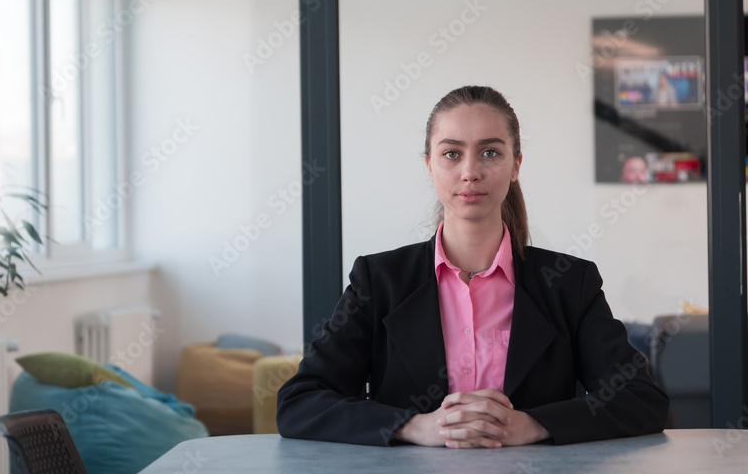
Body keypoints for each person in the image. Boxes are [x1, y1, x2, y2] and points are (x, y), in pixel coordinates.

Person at [276, 86, 669, 448]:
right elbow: (301, 401)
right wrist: (415, 426)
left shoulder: (569, 283)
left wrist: (534, 424)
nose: (470, 171)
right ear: (429, 165)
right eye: (451, 153)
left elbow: (641, 399)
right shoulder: (379, 281)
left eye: (490, 152)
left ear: (516, 164)